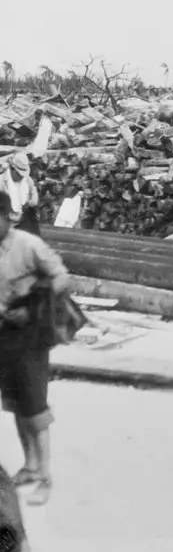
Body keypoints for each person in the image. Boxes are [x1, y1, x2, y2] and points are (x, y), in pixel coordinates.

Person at [0, 190, 70, 507]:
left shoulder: (29, 245)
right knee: (16, 403)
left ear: (6, 217)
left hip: (30, 335)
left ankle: (45, 477)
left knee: (35, 406)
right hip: (4, 334)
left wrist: (32, 305)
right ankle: (29, 466)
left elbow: (60, 276)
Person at [0, 155, 39, 234]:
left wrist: (30, 203)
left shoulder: (27, 180)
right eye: (18, 174)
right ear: (12, 169)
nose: (21, 177)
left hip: (23, 220)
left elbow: (34, 196)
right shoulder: (1, 181)